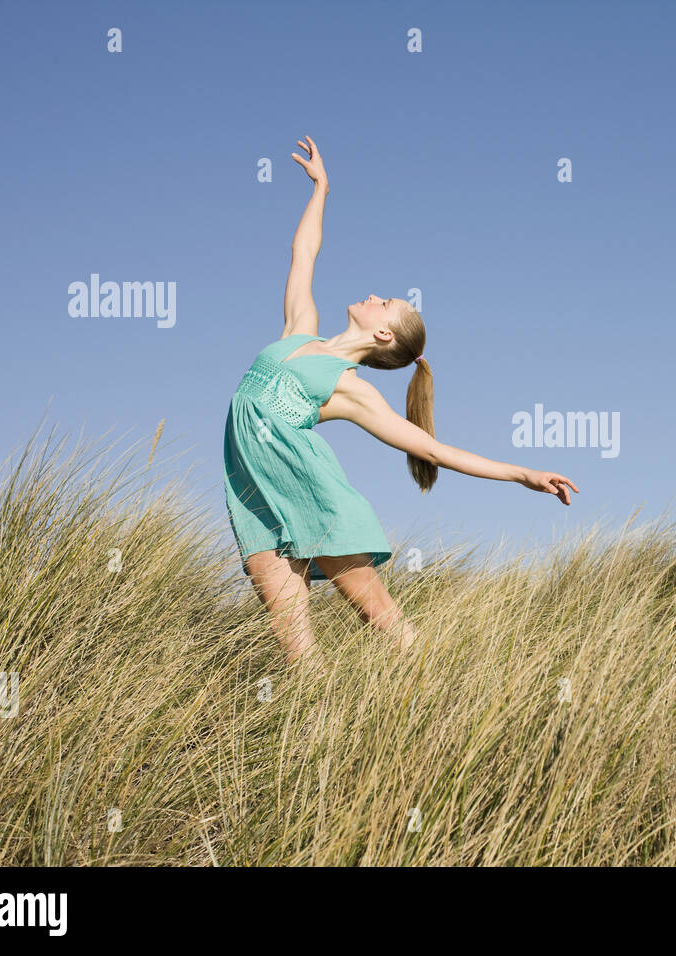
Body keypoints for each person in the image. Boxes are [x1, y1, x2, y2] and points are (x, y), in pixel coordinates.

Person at [223, 135, 578, 665]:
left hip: (312, 498)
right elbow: (304, 253)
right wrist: (322, 188)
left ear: (385, 335)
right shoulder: (299, 332)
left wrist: (523, 474)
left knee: (383, 620)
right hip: (255, 495)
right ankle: (319, 737)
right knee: (296, 653)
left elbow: (432, 450)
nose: (372, 295)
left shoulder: (350, 388)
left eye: (382, 303)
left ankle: (438, 697)